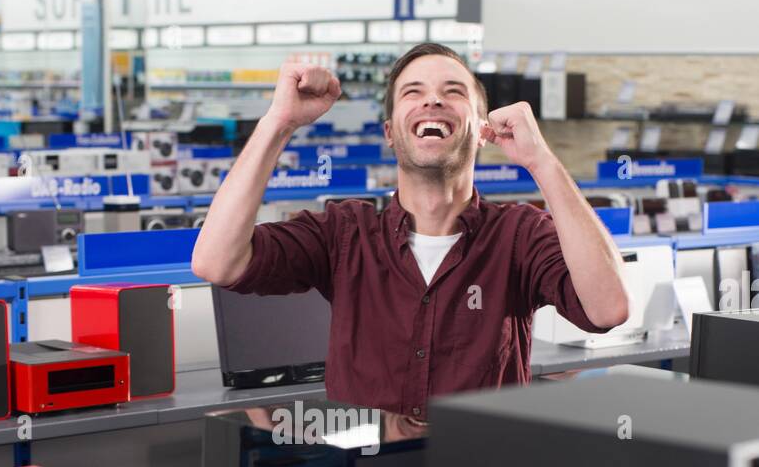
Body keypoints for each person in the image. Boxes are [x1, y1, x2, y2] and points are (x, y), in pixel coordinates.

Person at [192, 43, 629, 419]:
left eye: (452, 92)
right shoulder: (345, 233)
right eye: (413, 92)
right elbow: (216, 262)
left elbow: (608, 309)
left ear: (482, 132)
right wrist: (279, 122)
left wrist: (542, 162)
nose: (432, 101)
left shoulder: (520, 235)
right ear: (390, 132)